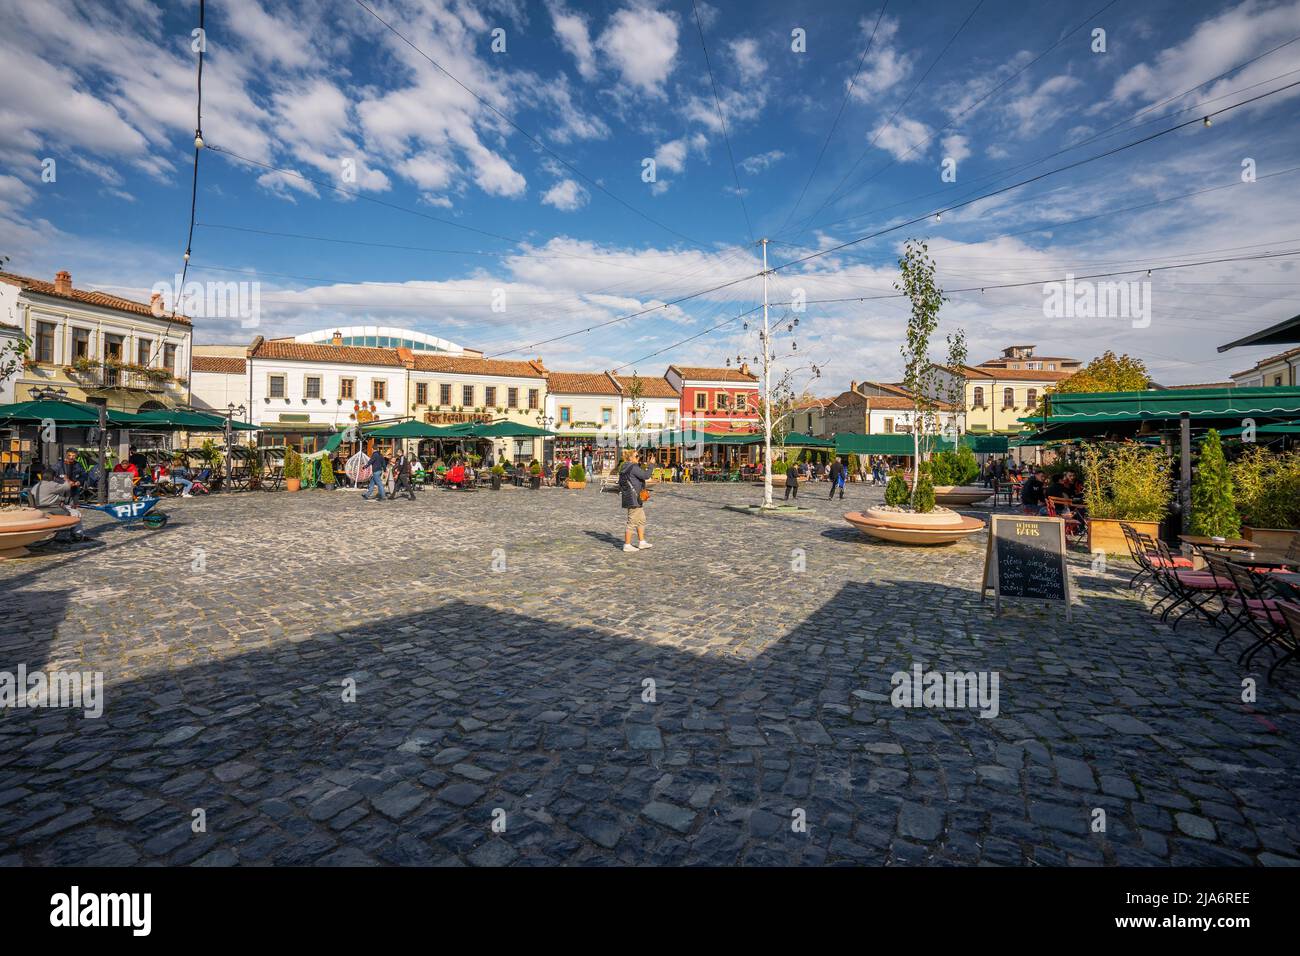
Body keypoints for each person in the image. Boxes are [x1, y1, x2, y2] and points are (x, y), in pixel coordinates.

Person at [618, 449, 652, 553]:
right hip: (634, 498)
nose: (638, 458)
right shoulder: (633, 467)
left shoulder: (625, 467)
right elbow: (645, 476)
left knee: (641, 519)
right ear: (631, 458)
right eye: (636, 456)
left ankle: (642, 542)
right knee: (632, 521)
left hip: (631, 496)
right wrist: (651, 465)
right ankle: (627, 545)